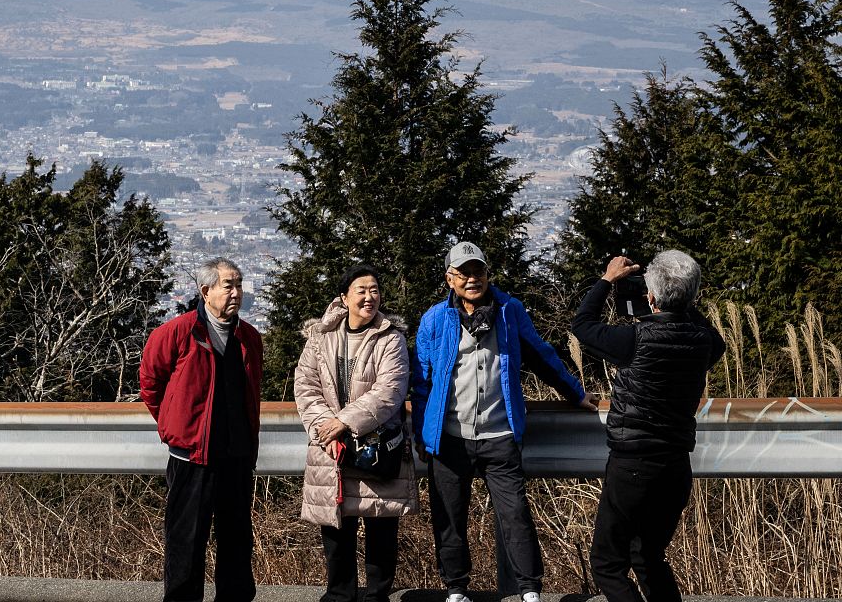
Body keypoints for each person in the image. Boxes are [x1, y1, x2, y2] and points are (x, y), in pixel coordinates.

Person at [412, 241, 594, 602]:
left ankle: (529, 590)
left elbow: (541, 355)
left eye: (477, 271)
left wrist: (575, 392)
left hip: (500, 433)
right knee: (449, 518)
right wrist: (422, 430)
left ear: (487, 273)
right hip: (449, 435)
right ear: (449, 279)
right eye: (463, 273)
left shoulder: (510, 311)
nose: (471, 279)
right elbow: (422, 381)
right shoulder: (435, 319)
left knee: (516, 516)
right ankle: (456, 588)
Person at [571, 250, 726, 602]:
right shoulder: (705, 343)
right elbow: (708, 333)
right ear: (693, 296)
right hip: (675, 467)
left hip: (633, 465)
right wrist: (682, 299)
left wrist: (607, 280)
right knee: (649, 556)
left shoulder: (633, 340)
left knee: (608, 563)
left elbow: (582, 325)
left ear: (650, 298)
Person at [141, 258, 264, 602]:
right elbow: (151, 385)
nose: (236, 292)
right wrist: (175, 425)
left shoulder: (250, 338)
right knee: (185, 539)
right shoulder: (177, 332)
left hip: (237, 456)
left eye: (239, 284)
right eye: (229, 285)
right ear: (206, 291)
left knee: (238, 539)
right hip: (191, 456)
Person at [294, 264, 414, 602]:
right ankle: (339, 595)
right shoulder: (321, 336)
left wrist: (344, 423)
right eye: (361, 290)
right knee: (336, 529)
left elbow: (390, 390)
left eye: (374, 289)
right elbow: (306, 387)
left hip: (375, 446)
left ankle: (377, 596)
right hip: (331, 448)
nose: (369, 297)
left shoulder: (391, 338)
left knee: (381, 529)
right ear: (344, 297)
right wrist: (327, 431)